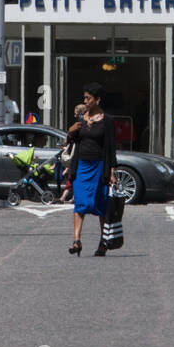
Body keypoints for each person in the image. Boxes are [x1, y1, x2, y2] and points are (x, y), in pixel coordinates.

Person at [66, 83, 117, 256]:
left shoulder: (107, 120)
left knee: (100, 204)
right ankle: (76, 241)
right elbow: (69, 142)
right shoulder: (81, 118)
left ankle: (103, 242)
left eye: (89, 98)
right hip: (81, 166)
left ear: (98, 100)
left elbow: (111, 147)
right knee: (80, 203)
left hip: (99, 167)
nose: (85, 101)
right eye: (85, 98)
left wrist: (111, 172)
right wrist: (70, 131)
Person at [58, 102, 87, 203]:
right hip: (84, 153)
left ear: (80, 113)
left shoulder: (79, 122)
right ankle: (70, 197)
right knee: (75, 176)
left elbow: (71, 135)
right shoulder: (88, 121)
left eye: (76, 113)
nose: (74, 115)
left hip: (78, 153)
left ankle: (73, 197)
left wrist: (68, 137)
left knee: (74, 176)